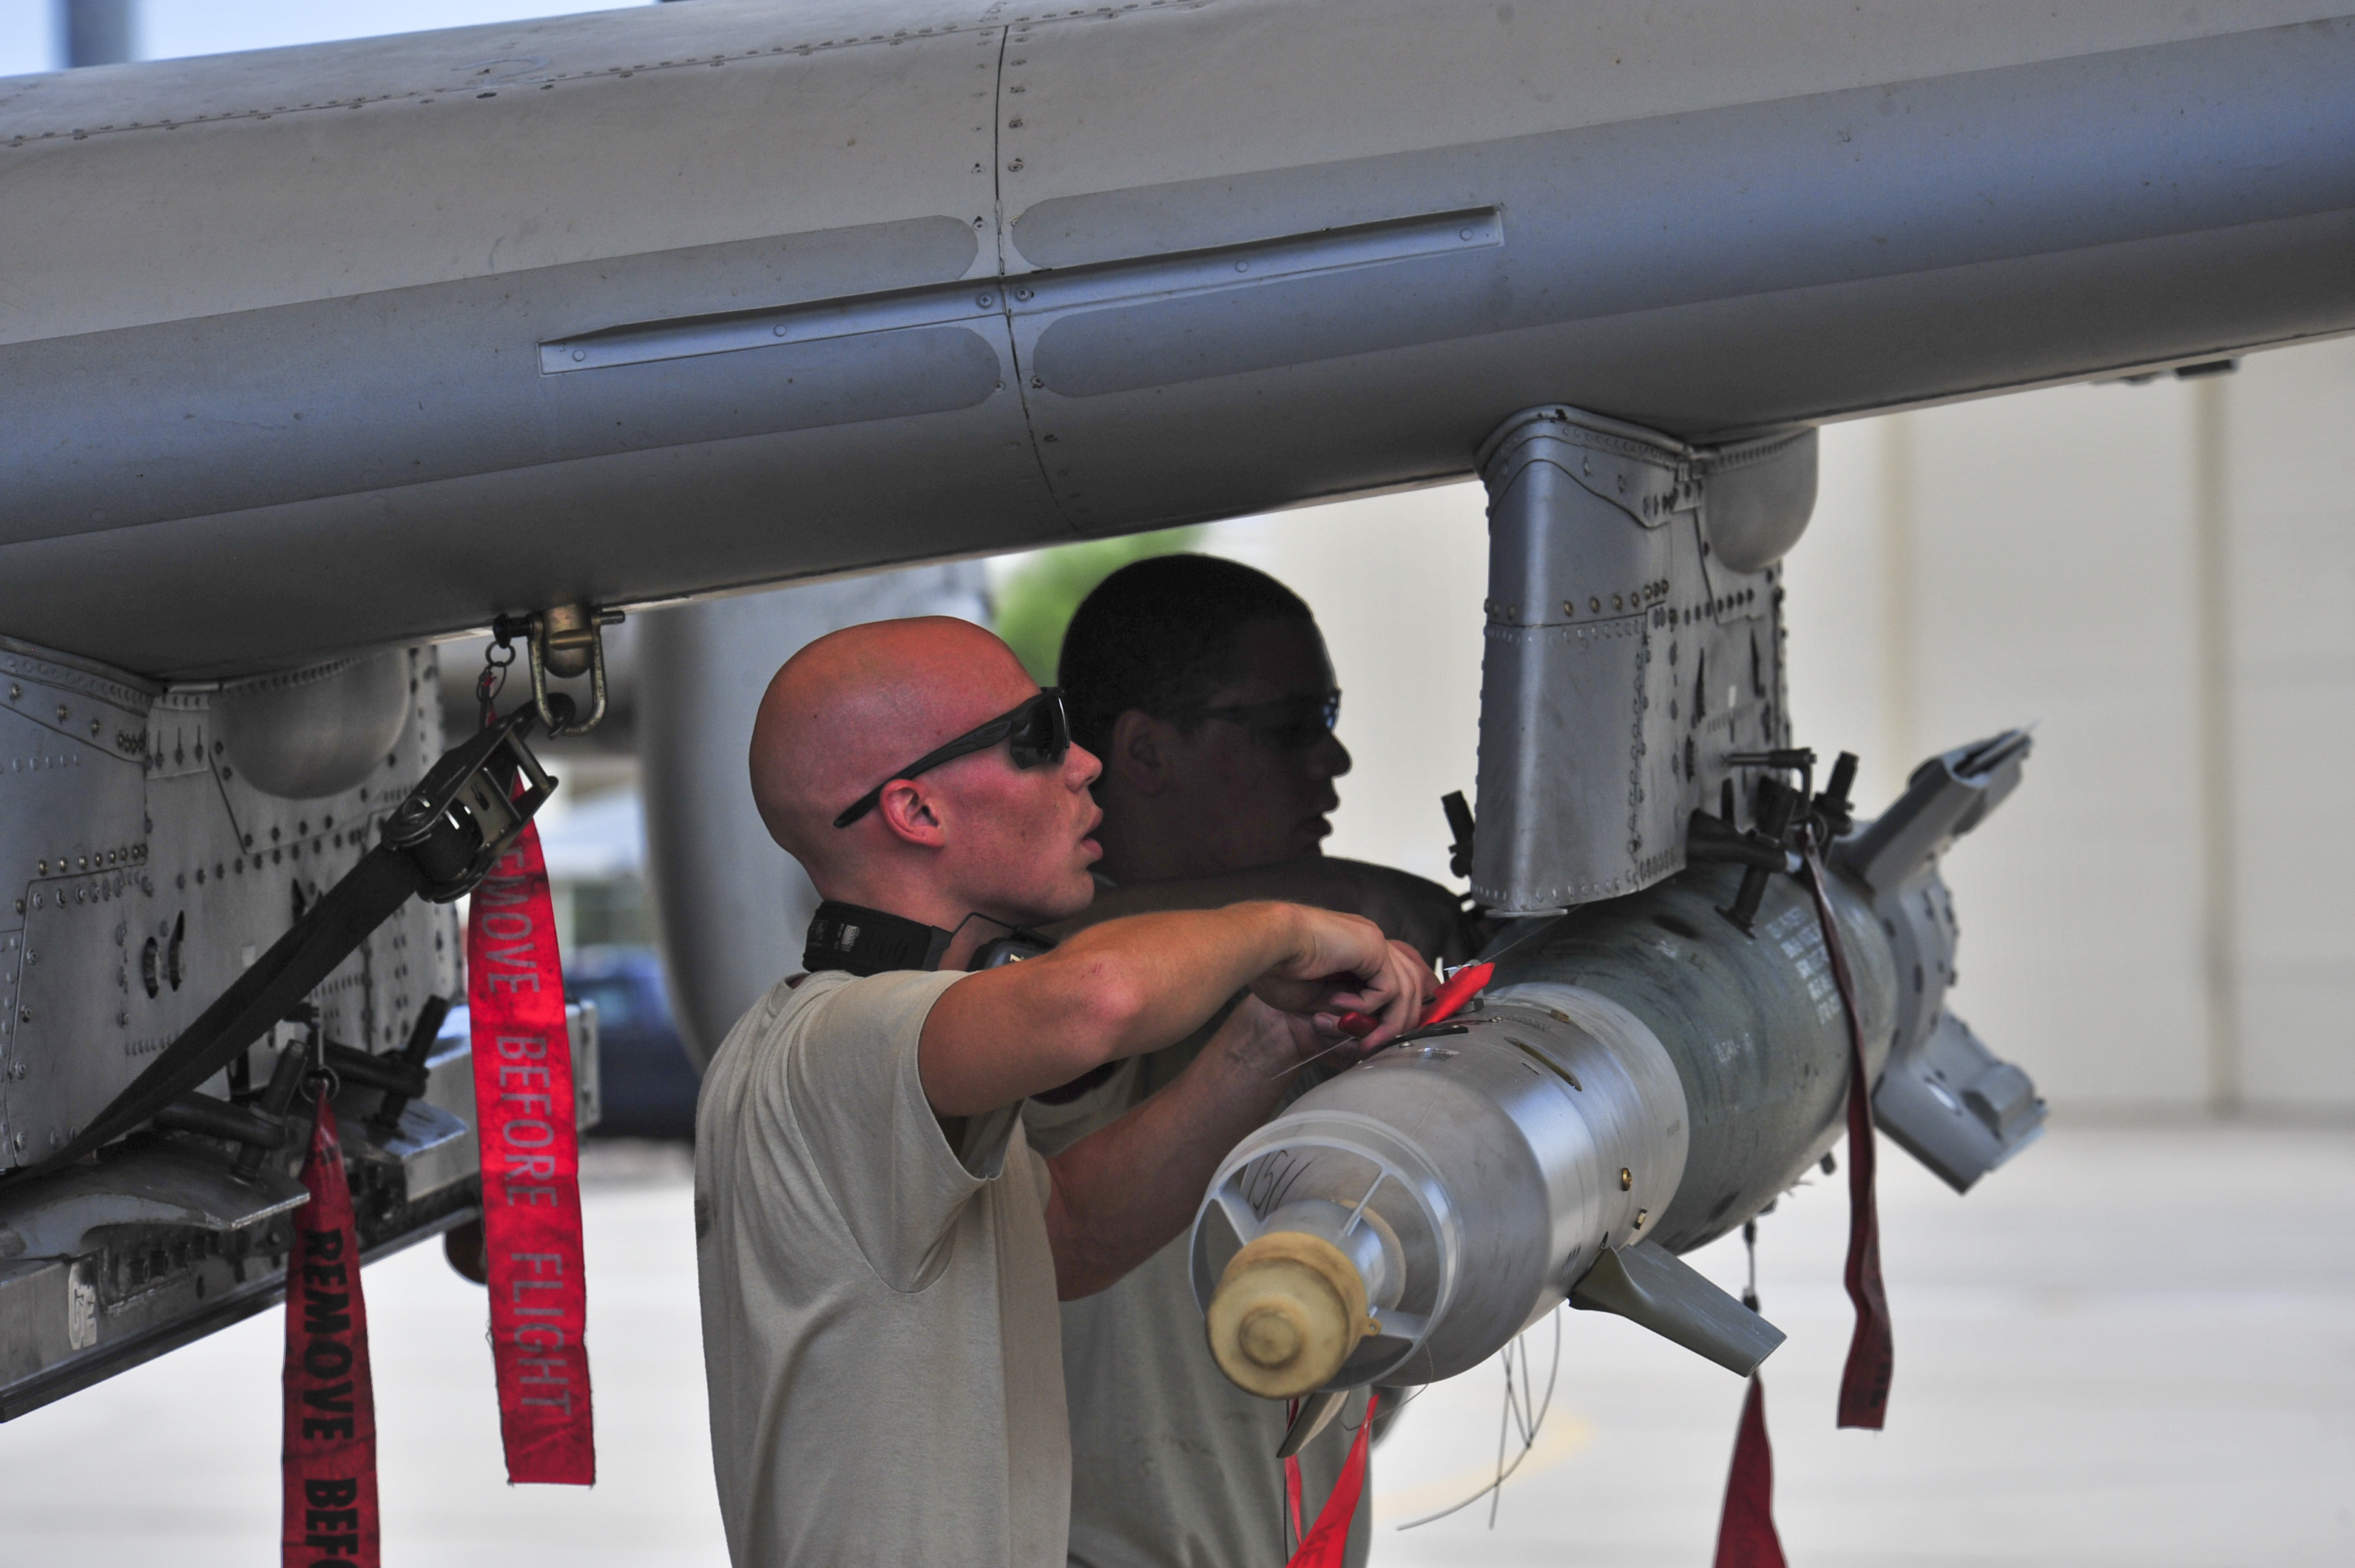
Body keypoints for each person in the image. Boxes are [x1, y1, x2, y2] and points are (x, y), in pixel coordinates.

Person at [692, 615, 1433, 1568]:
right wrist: (1294, 929)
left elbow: (1070, 1232)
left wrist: (1270, 1040)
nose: (1085, 765)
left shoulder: (872, 1069)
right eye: (1038, 737)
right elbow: (1099, 998)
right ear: (916, 812)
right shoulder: (838, 1042)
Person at [1030, 555, 1479, 1568]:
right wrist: (1330, 901)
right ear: (1146, 750)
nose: (1334, 759)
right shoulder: (1033, 988)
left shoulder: (1305, 972)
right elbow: (1068, 969)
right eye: (1293, 724)